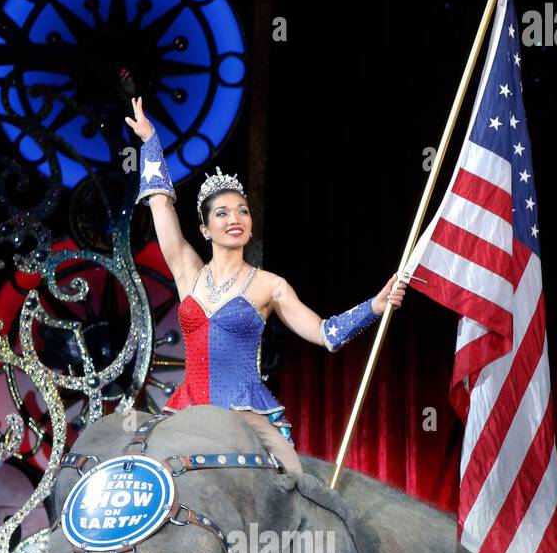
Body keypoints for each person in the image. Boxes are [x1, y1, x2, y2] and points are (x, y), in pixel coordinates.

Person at [124, 97, 405, 473]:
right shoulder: (187, 271)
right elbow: (160, 205)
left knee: (294, 482)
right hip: (187, 411)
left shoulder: (270, 286)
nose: (235, 219)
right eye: (222, 214)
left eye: (243, 211)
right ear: (206, 229)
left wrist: (374, 306)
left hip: (248, 416)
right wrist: (150, 141)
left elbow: (326, 334)